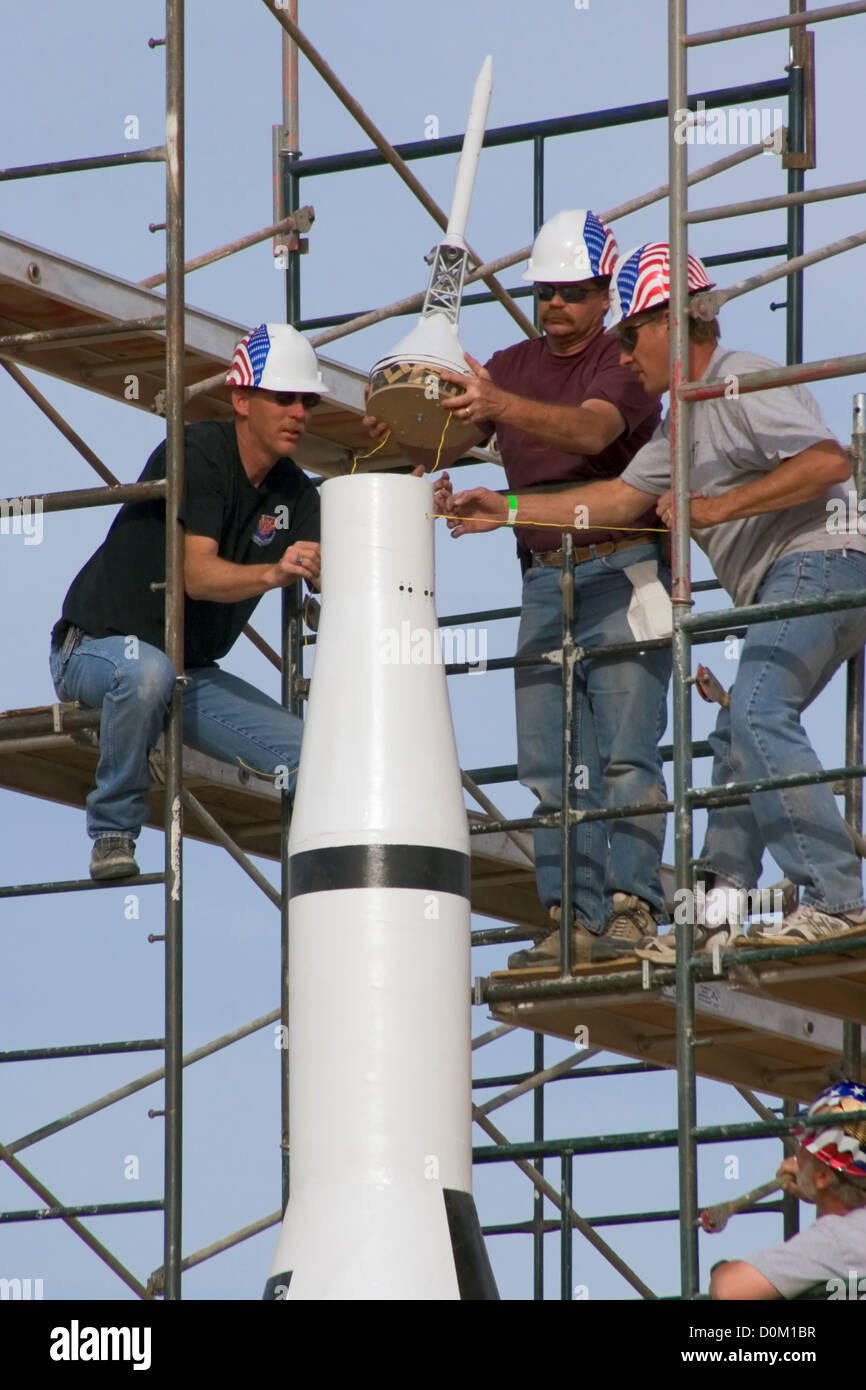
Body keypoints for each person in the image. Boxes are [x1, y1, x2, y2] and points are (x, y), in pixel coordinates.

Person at [442, 241, 866, 958]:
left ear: (671, 324)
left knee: (758, 715)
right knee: (738, 733)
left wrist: (715, 509)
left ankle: (841, 898)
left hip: (821, 565)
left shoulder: (739, 379)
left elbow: (829, 461)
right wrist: (507, 509)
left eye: (628, 336)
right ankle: (717, 911)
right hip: (794, 579)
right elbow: (614, 497)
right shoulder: (679, 422)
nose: (623, 356)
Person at [373, 210, 666, 967]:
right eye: (546, 292)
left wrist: (496, 406)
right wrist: (422, 371)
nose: (556, 305)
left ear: (605, 295)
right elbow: (439, 433)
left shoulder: (623, 361)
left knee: (626, 754)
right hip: (546, 580)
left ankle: (631, 911)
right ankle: (575, 916)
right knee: (551, 761)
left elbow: (593, 432)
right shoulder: (506, 364)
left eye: (572, 291)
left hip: (621, 567)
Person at [49, 322, 324, 881]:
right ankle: (112, 831)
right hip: (97, 649)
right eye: (284, 397)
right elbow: (195, 576)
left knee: (317, 757)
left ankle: (328, 894)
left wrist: (409, 497)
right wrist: (274, 572)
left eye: (308, 399)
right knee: (145, 674)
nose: (299, 411)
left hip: (188, 670)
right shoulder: (198, 451)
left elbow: (340, 574)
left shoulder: (297, 494)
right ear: (241, 398)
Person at [710, 1079, 866, 1300]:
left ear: (822, 1176)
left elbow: (730, 1290)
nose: (797, 1154)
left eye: (804, 1146)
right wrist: (818, 1189)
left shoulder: (838, 1237)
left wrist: (720, 1270)